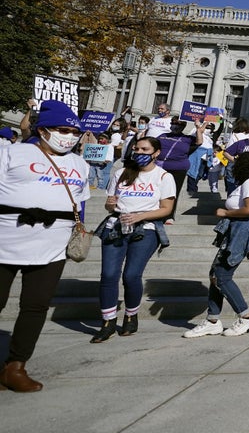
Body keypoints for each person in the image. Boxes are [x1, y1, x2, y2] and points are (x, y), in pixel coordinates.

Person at [0, 100, 90, 391]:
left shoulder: (80, 163)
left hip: (52, 244)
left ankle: (16, 366)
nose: (69, 136)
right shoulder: (12, 152)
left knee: (35, 306)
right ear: (44, 129)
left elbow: (80, 202)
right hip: (6, 238)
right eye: (62, 129)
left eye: (73, 131)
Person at [91, 137, 176, 343]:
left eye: (145, 149)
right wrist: (111, 205)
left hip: (145, 229)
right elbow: (109, 205)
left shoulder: (164, 176)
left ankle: (131, 315)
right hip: (116, 227)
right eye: (136, 148)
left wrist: (140, 216)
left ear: (156, 153)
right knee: (109, 274)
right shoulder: (121, 173)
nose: (139, 152)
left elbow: (166, 209)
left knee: (131, 275)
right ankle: (108, 322)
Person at [183, 150, 249, 338]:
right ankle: (212, 320)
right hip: (238, 228)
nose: (235, 163)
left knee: (221, 276)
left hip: (243, 228)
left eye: (240, 161)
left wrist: (225, 213)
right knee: (215, 274)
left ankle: (246, 316)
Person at [156, 116, 205, 224]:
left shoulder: (187, 139)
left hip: (178, 169)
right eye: (173, 123)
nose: (175, 125)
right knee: (156, 191)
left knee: (173, 192)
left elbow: (199, 142)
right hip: (160, 167)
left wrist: (198, 128)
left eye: (179, 124)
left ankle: (169, 215)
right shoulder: (162, 136)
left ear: (184, 126)